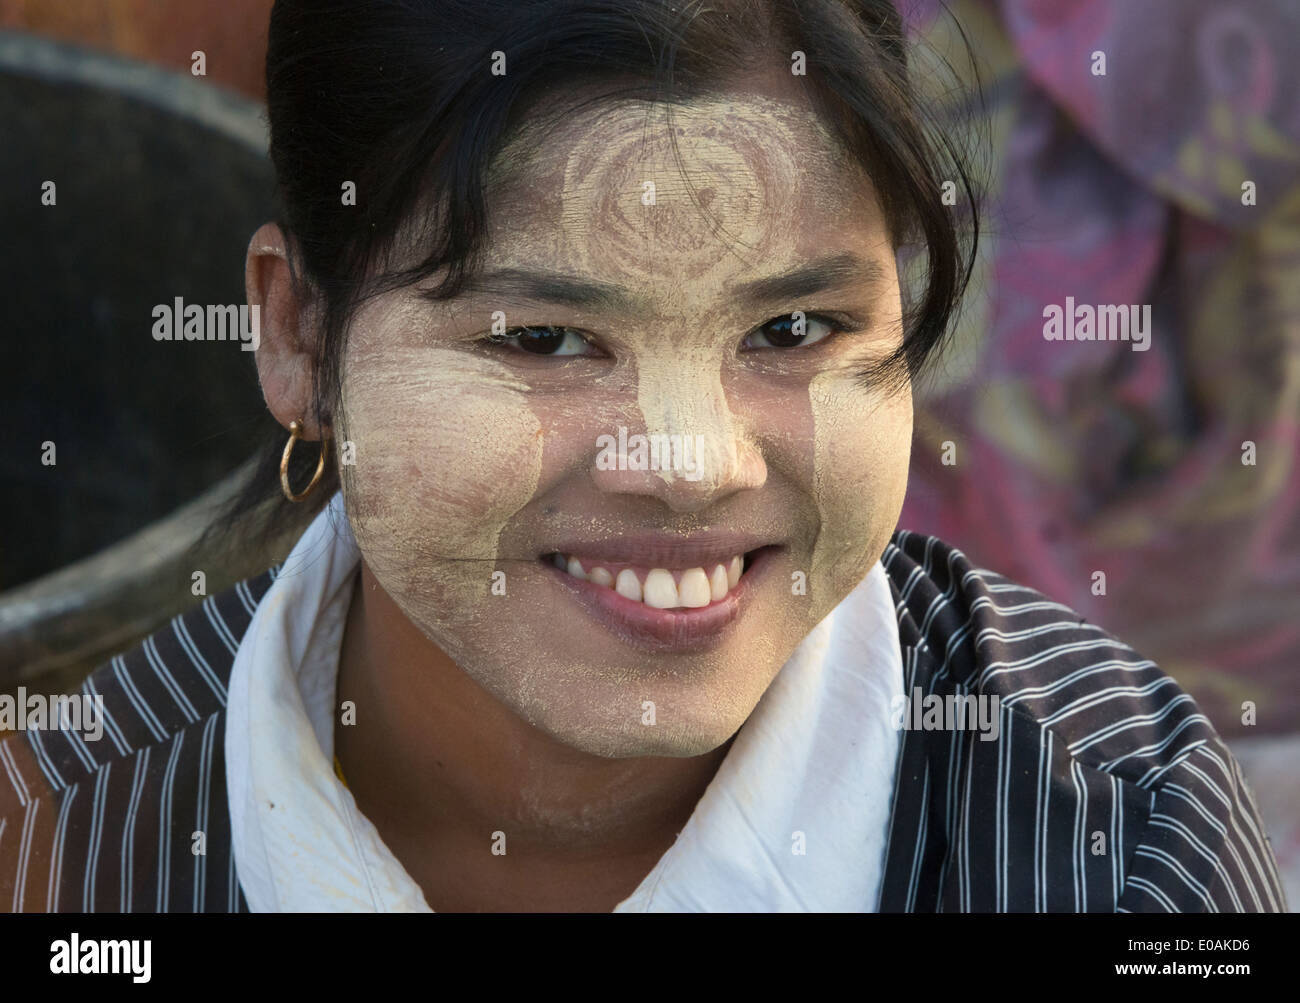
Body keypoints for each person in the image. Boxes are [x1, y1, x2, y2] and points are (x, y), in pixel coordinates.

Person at [0, 0, 1285, 912]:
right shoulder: (66, 832)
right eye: (547, 337)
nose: (688, 463)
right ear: (297, 334)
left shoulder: (1119, 833)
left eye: (791, 328)